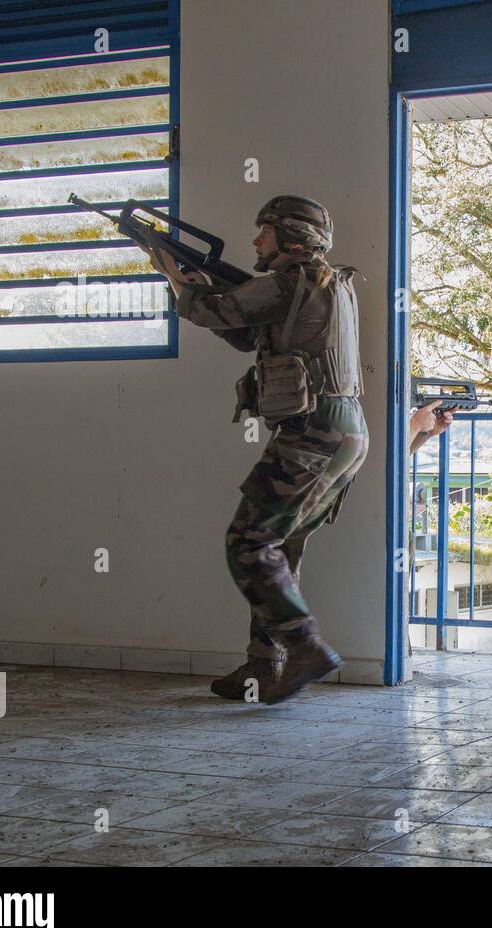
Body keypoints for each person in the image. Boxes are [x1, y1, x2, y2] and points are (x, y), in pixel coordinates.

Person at [146, 195, 368, 705]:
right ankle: (264, 667)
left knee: (247, 543)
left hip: (314, 433)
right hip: (339, 432)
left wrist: (172, 274)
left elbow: (215, 310)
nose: (254, 242)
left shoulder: (291, 282)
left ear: (291, 236)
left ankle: (305, 648)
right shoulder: (320, 284)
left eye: (262, 231)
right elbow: (246, 335)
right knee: (278, 549)